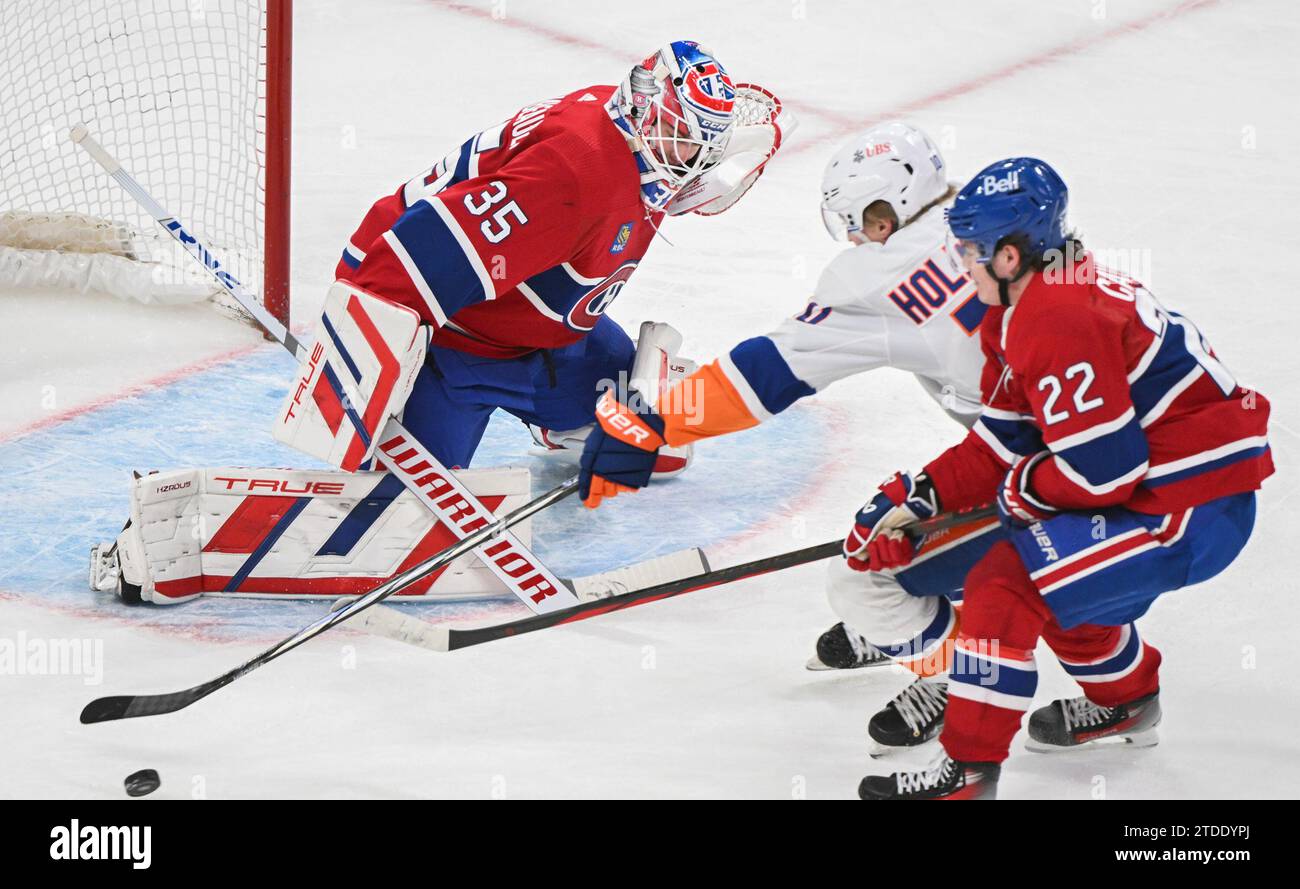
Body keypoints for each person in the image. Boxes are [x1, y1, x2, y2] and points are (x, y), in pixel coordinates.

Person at [847, 157, 1273, 799]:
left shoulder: (1056, 314)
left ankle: (967, 771)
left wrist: (1025, 492)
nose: (959, 260)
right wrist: (920, 499)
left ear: (1010, 256)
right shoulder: (1027, 305)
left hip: (1192, 505)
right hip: (1168, 489)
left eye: (969, 248)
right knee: (1068, 591)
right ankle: (1127, 703)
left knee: (1009, 583)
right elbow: (1005, 441)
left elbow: (1106, 472)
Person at [577, 121, 1001, 752]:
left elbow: (765, 375)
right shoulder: (985, 216)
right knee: (935, 515)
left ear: (892, 207)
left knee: (867, 573)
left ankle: (965, 676)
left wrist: (657, 425)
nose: (856, 237)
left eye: (862, 219)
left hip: (1056, 463)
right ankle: (916, 607)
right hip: (1097, 426)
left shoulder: (881, 277)